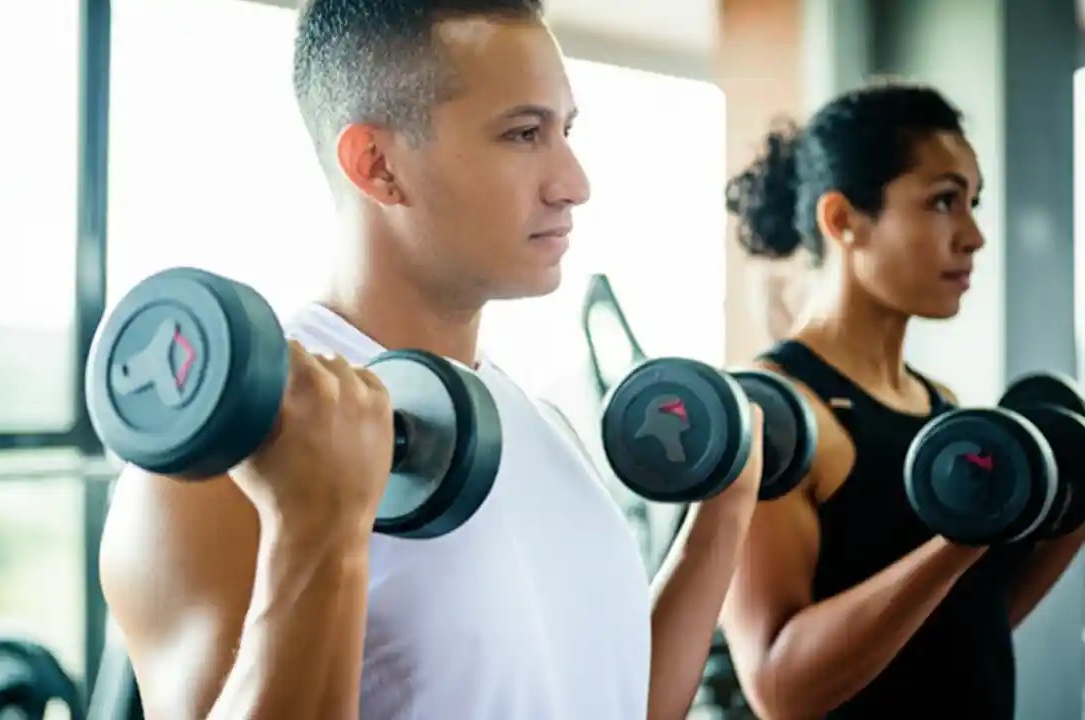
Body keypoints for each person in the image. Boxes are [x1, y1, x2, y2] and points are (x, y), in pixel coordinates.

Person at [97, 1, 765, 719]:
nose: (573, 182)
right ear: (378, 166)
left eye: (564, 131)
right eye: (522, 134)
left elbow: (618, 703)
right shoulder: (232, 462)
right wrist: (316, 530)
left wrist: (720, 521)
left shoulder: (540, 427)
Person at [718, 80, 1085, 719]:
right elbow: (779, 688)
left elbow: (972, 621)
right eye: (943, 201)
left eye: (973, 202)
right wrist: (965, 535)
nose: (973, 236)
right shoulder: (771, 412)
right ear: (843, 221)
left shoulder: (939, 403)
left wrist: (1069, 511)